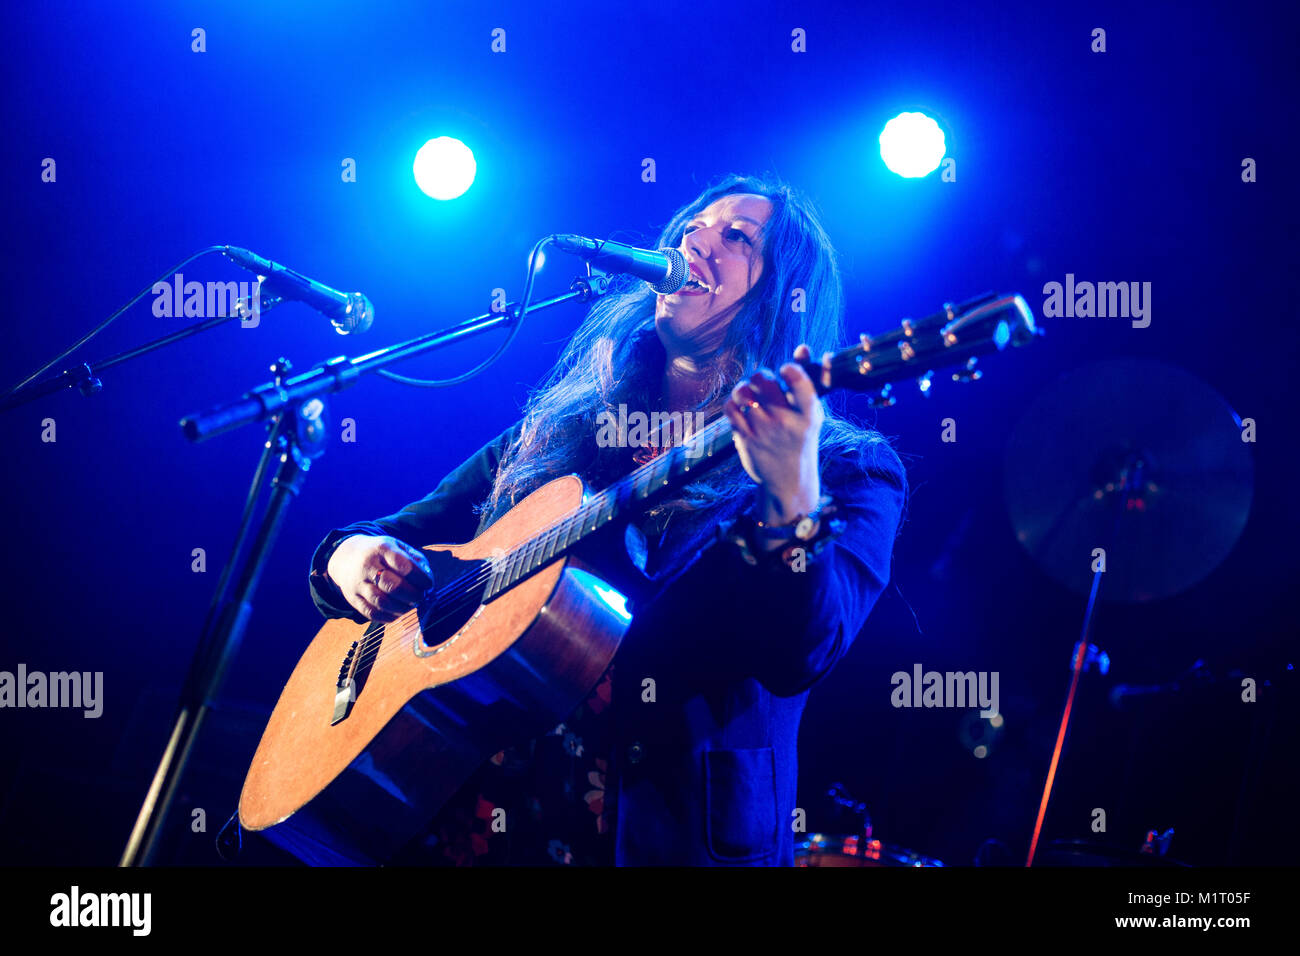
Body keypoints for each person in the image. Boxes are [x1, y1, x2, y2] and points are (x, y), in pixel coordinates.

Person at [307, 173, 907, 866]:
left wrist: (789, 494)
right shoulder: (563, 430)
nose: (698, 239)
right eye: (693, 228)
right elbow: (395, 535)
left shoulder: (844, 468)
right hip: (470, 814)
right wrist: (347, 561)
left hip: (653, 834)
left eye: (737, 237)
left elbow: (803, 651)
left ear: (783, 296)